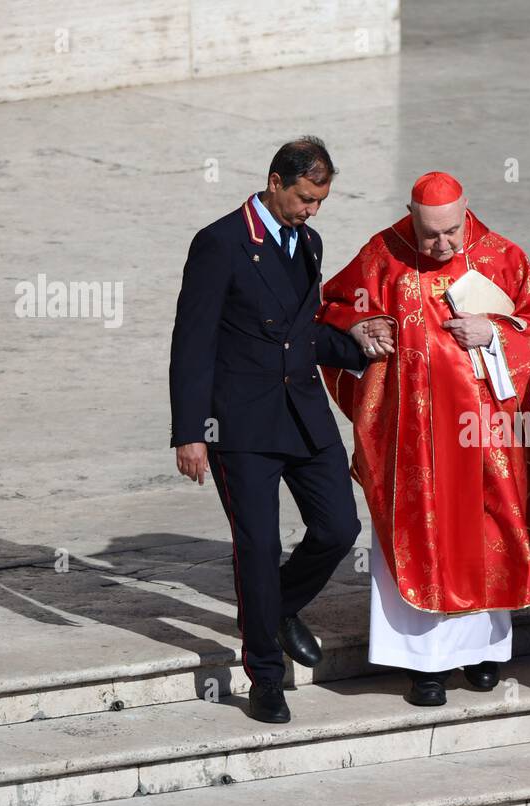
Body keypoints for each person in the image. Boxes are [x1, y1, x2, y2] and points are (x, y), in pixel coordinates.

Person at [316, 171, 530, 706]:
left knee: (485, 531)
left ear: (466, 211)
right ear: (411, 215)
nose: (442, 244)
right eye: (431, 235)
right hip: (411, 440)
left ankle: (482, 652)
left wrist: (494, 332)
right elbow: (331, 307)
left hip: (487, 437)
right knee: (418, 534)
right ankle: (422, 662)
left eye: (451, 232)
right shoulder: (384, 253)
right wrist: (358, 328)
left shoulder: (500, 255)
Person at [169, 137, 385, 724]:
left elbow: (303, 332)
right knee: (258, 547)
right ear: (274, 182)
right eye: (305, 197)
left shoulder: (308, 242)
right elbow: (193, 343)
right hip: (240, 424)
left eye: (320, 200)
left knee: (340, 525)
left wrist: (356, 346)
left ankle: (279, 606)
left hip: (303, 412)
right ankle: (264, 673)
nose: (312, 210)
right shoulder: (220, 243)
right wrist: (190, 432)